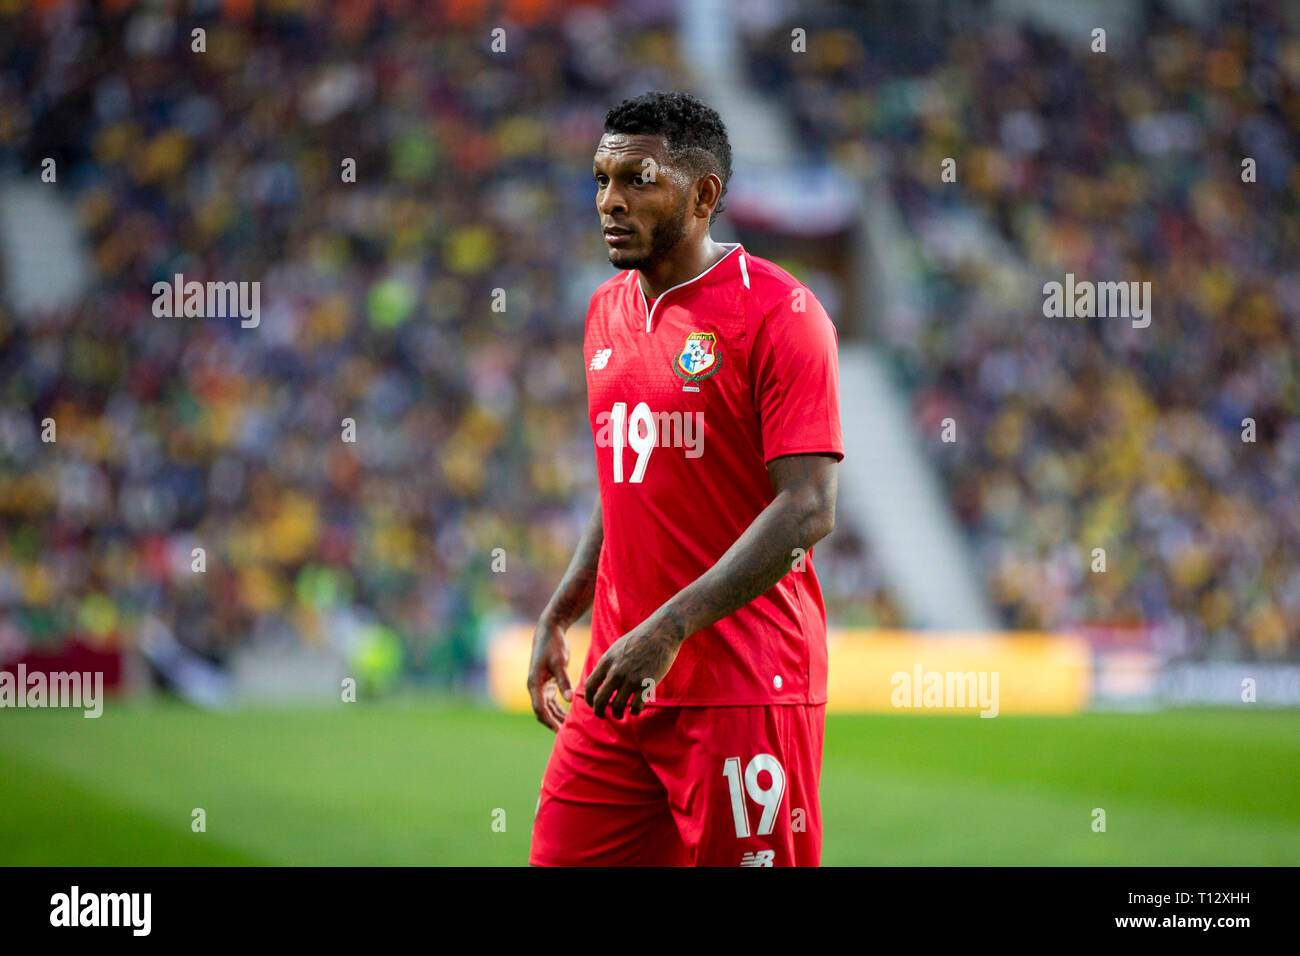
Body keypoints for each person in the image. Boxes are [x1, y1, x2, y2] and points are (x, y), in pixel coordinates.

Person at [526, 91, 843, 866]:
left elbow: (808, 509)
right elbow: (628, 478)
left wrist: (666, 630)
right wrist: (567, 603)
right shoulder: (605, 311)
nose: (609, 201)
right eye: (600, 179)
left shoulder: (781, 314)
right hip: (620, 681)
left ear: (703, 195)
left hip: (740, 686)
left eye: (637, 179)